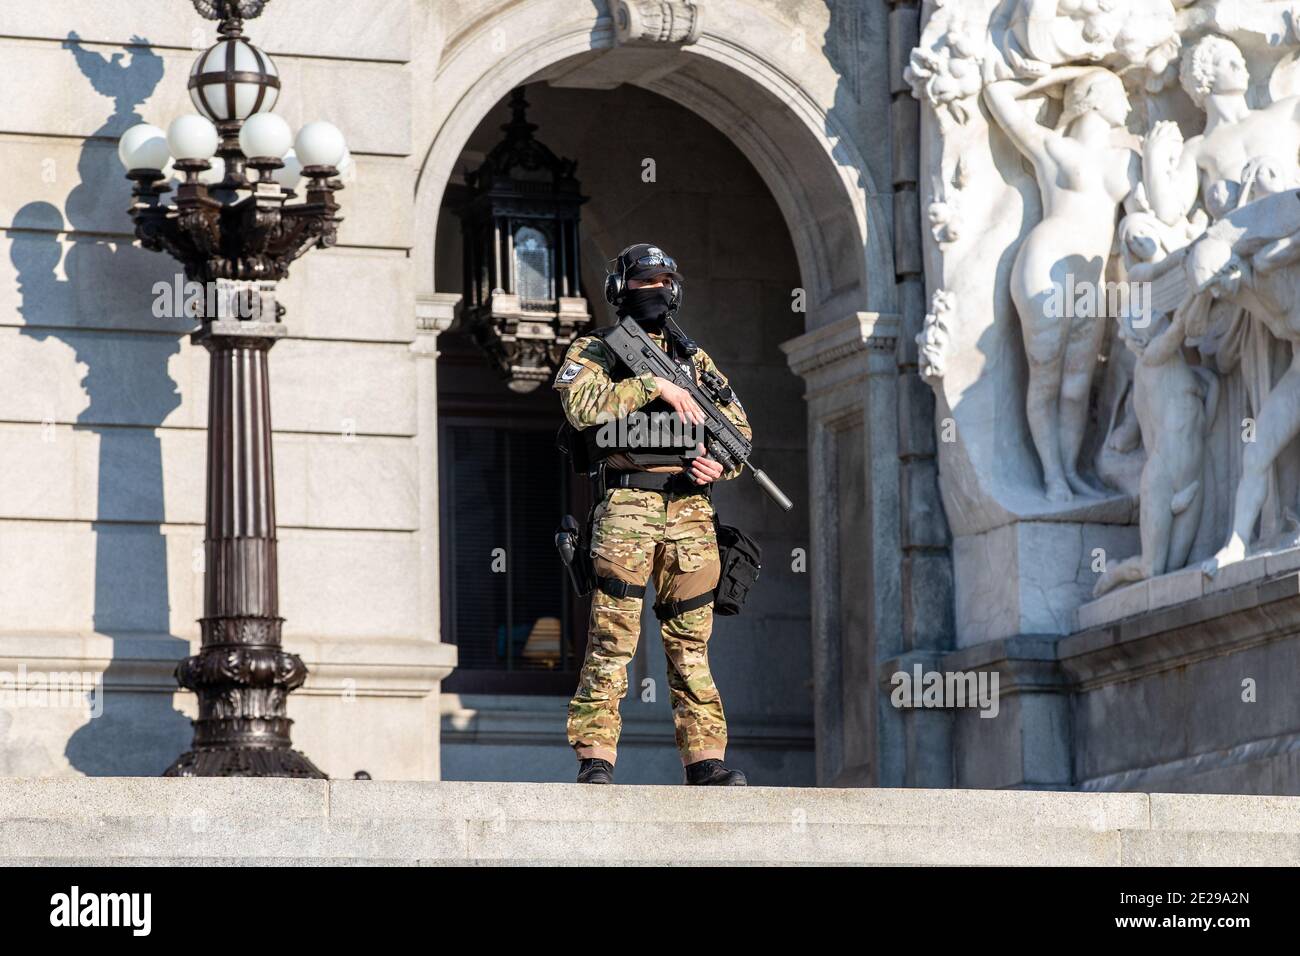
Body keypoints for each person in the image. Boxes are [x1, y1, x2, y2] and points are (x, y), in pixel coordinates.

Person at [553, 242, 751, 785]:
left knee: (692, 646)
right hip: (626, 507)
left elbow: (738, 430)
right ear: (622, 289)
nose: (657, 290)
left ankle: (705, 760)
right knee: (612, 638)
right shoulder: (596, 349)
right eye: (644, 282)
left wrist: (718, 466)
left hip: (690, 511)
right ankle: (596, 756)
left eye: (665, 281)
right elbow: (581, 406)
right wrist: (652, 385)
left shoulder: (694, 358)